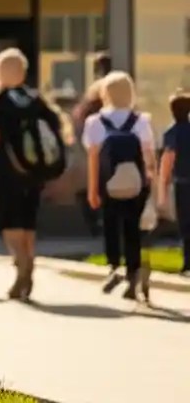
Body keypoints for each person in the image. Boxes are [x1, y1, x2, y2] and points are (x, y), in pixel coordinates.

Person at [0, 48, 71, 302]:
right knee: (28, 221)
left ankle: (21, 264)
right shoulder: (37, 99)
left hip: (6, 172)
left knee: (10, 223)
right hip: (34, 172)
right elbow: (57, 130)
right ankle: (30, 261)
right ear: (24, 72)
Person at [84, 71, 157, 300]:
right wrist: (151, 184)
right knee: (133, 230)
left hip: (109, 185)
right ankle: (133, 273)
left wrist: (92, 190)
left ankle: (113, 266)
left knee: (110, 225)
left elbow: (93, 159)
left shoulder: (95, 122)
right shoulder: (141, 121)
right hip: (136, 185)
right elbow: (149, 157)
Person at [70, 51, 113, 235]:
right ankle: (99, 220)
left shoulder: (96, 90)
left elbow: (81, 115)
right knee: (102, 181)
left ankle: (95, 221)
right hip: (103, 142)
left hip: (95, 141)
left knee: (94, 182)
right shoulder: (110, 87)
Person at [157, 89, 190, 277]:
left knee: (186, 224)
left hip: (183, 184)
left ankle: (188, 262)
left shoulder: (172, 132)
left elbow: (168, 160)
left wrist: (162, 187)